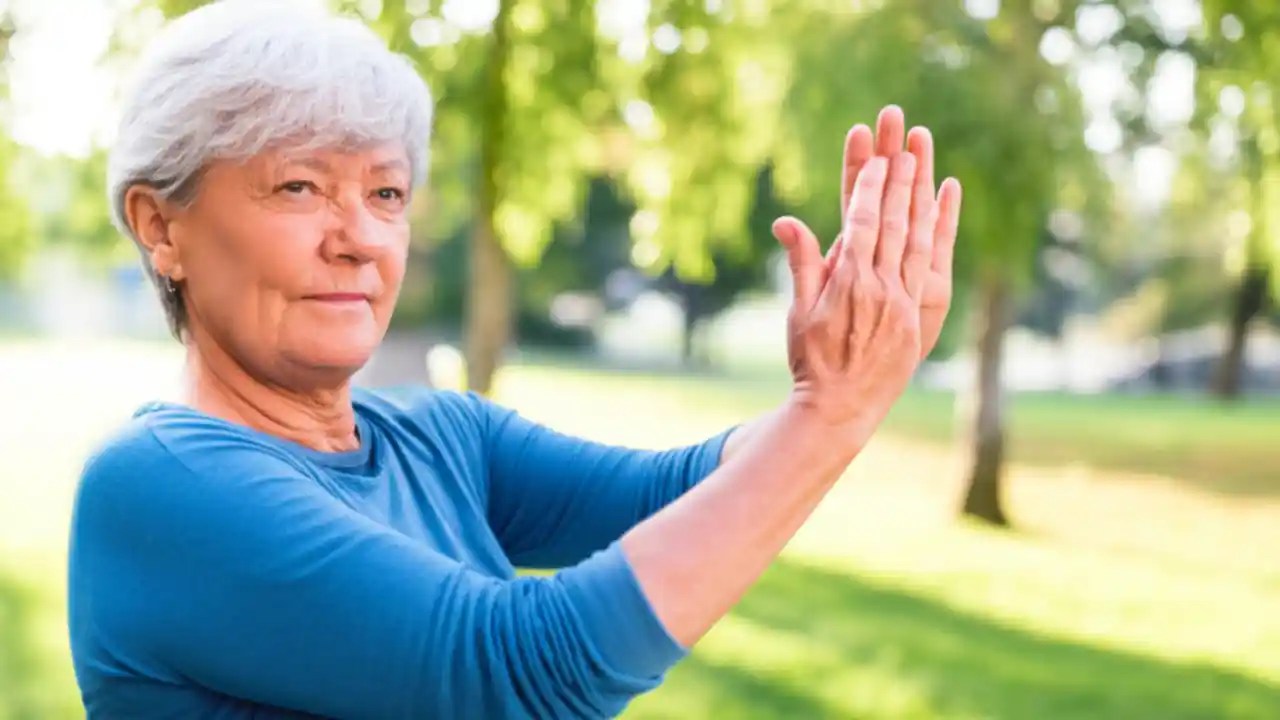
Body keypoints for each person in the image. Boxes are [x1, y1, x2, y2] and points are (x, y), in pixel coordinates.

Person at [66, 1, 962, 718]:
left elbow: (683, 491)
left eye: (386, 192)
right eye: (299, 186)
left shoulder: (438, 432)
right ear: (160, 226)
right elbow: (522, 674)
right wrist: (827, 415)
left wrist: (857, 374)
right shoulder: (156, 487)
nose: (361, 239)